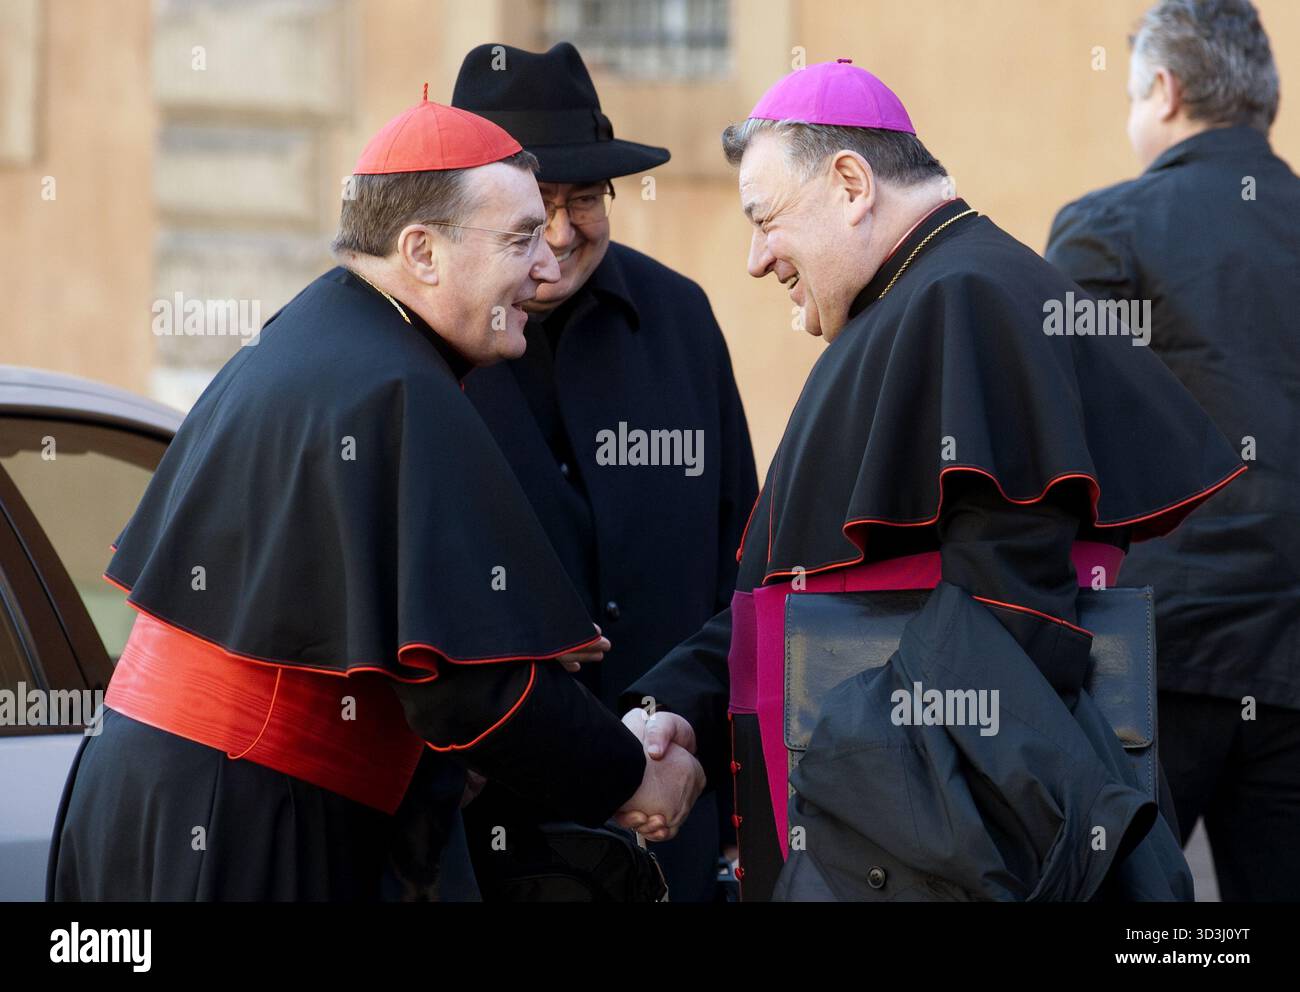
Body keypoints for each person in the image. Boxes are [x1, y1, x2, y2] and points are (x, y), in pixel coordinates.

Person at [47, 93, 704, 901]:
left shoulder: (326, 334)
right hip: (239, 817)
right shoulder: (393, 384)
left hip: (172, 797)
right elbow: (466, 688)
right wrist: (628, 774)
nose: (547, 264)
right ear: (421, 250)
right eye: (521, 238)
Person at [617, 59, 1246, 901]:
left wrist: (845, 777)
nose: (756, 259)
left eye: (764, 219)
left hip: (911, 855)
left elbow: (1007, 630)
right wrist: (672, 707)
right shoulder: (915, 297)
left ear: (850, 183)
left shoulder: (967, 297)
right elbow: (809, 597)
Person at [450, 42, 757, 902]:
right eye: (533, 206)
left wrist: (691, 746)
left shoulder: (681, 320)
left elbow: (750, 567)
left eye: (582, 199)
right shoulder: (417, 350)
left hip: (674, 820)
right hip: (488, 844)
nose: (558, 233)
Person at [1047, 0, 1300, 901]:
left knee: (1133, 925)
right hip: (1290, 662)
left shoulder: (1107, 227)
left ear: (1164, 89)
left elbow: (1054, 437)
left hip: (1153, 655)